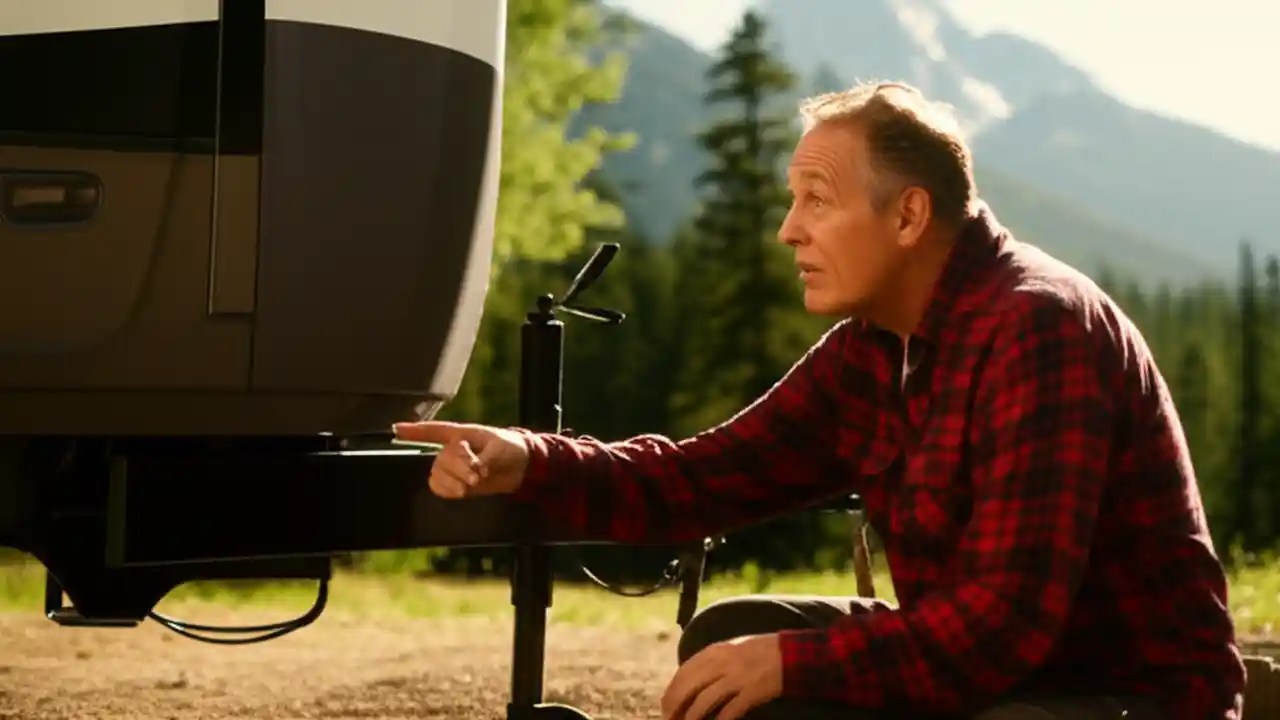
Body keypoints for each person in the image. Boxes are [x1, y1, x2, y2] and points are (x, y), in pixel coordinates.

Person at [393, 81, 1246, 720]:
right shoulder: (873, 347)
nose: (788, 230)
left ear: (909, 215)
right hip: (1011, 673)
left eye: (816, 201)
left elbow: (1001, 626)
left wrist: (795, 666)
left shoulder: (1037, 326)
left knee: (779, 673)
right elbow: (703, 477)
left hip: (1122, 694)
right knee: (729, 644)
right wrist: (532, 457)